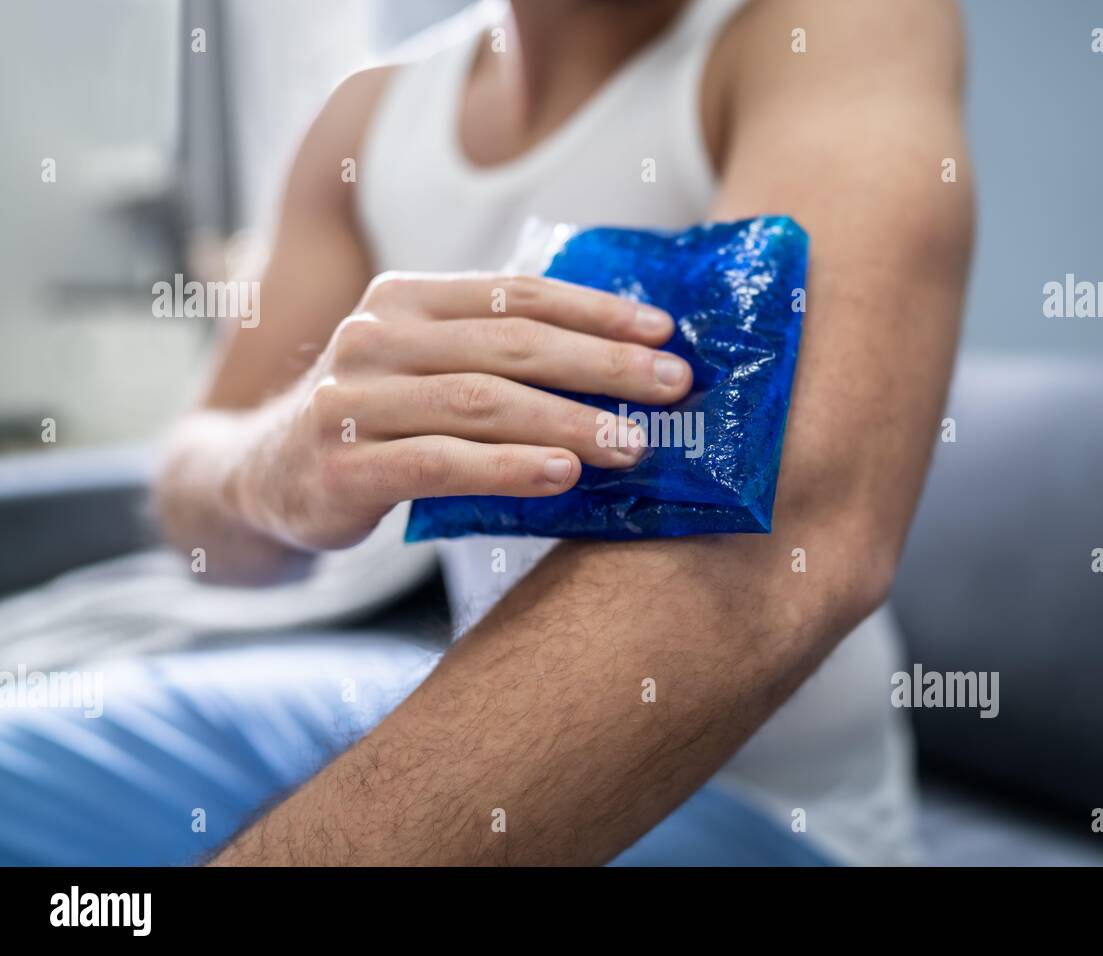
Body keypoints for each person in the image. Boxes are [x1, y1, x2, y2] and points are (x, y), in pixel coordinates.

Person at [1, 0, 971, 866]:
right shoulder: (367, 116)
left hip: (762, 801)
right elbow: (197, 497)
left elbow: (791, 532)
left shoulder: (827, 30)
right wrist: (272, 462)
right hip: (426, 680)